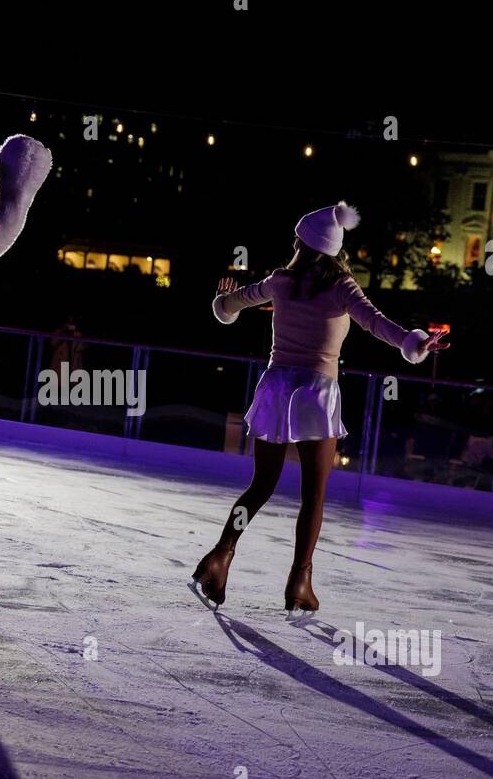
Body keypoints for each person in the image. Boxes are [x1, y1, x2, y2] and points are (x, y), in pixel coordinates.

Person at [191, 202, 450, 614]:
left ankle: (222, 554)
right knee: (314, 496)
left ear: (303, 244)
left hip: (276, 386)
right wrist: (414, 343)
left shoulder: (280, 280)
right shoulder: (341, 287)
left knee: (261, 486)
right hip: (315, 390)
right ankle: (300, 580)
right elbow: (376, 322)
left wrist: (222, 301)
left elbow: (232, 305)